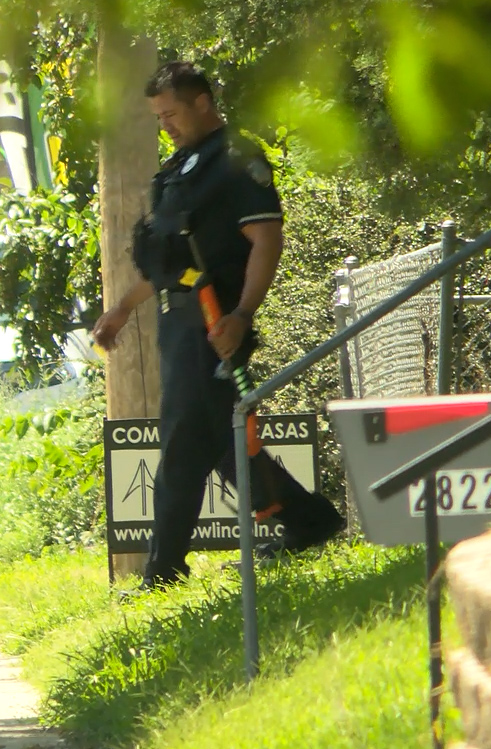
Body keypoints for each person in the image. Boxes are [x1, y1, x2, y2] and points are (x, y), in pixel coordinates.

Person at [91, 61, 346, 589]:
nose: (165, 125)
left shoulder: (235, 160)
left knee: (184, 441)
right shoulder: (182, 166)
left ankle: (162, 572)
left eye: (171, 114)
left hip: (215, 322)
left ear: (203, 102)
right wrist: (122, 309)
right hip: (180, 320)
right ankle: (308, 521)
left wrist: (242, 315)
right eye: (158, 117)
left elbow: (265, 240)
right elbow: (172, 262)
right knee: (220, 442)